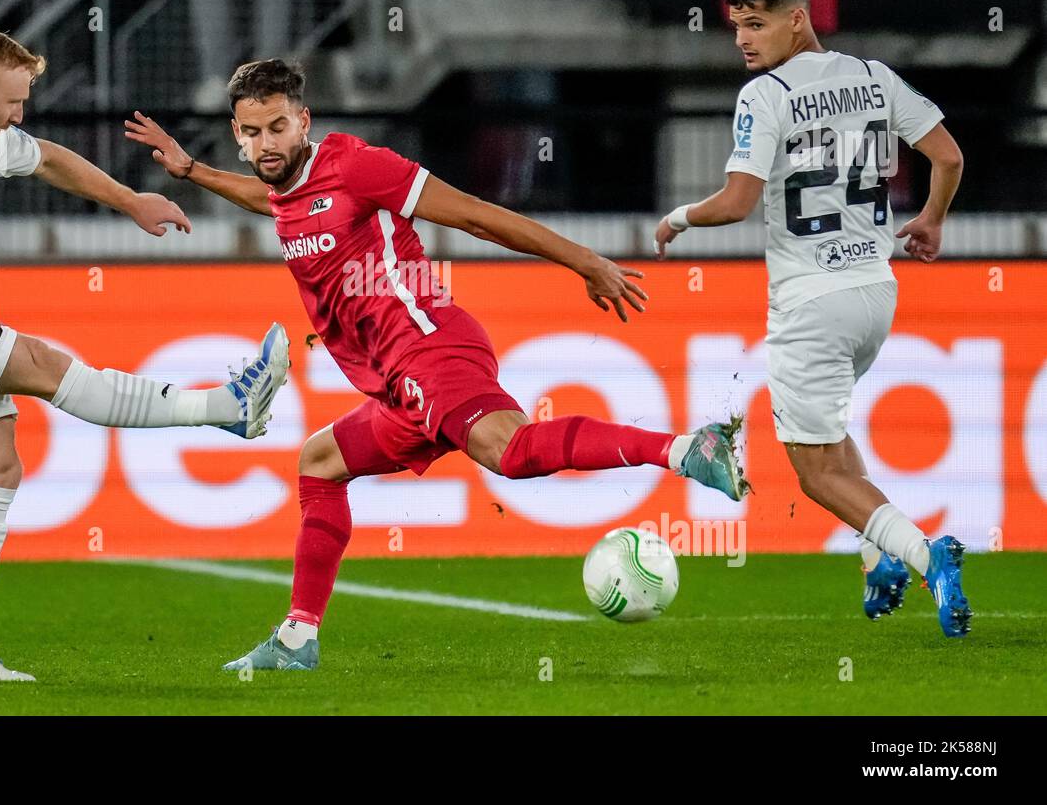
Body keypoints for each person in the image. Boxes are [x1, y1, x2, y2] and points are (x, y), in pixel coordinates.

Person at [125, 58, 749, 671]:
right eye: (253, 132)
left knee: (511, 452)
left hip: (429, 345)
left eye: (279, 127)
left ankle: (687, 450)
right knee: (319, 462)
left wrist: (583, 260)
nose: (266, 144)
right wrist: (190, 170)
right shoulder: (285, 186)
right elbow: (273, 201)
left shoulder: (357, 166)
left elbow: (476, 214)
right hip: (397, 383)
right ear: (237, 132)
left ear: (304, 120)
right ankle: (296, 639)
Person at [0, 25, 290, 682]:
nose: (19, 115)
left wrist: (130, 201)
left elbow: (45, 158)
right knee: (42, 364)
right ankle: (226, 406)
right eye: (12, 102)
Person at [654, 0, 971, 638]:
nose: (743, 39)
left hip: (810, 304)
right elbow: (948, 156)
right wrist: (933, 220)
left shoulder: (763, 96)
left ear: (797, 18)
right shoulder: (874, 77)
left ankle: (924, 554)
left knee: (812, 470)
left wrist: (679, 216)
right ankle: (876, 554)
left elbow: (737, 202)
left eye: (757, 24)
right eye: (738, 25)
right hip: (875, 294)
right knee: (831, 437)